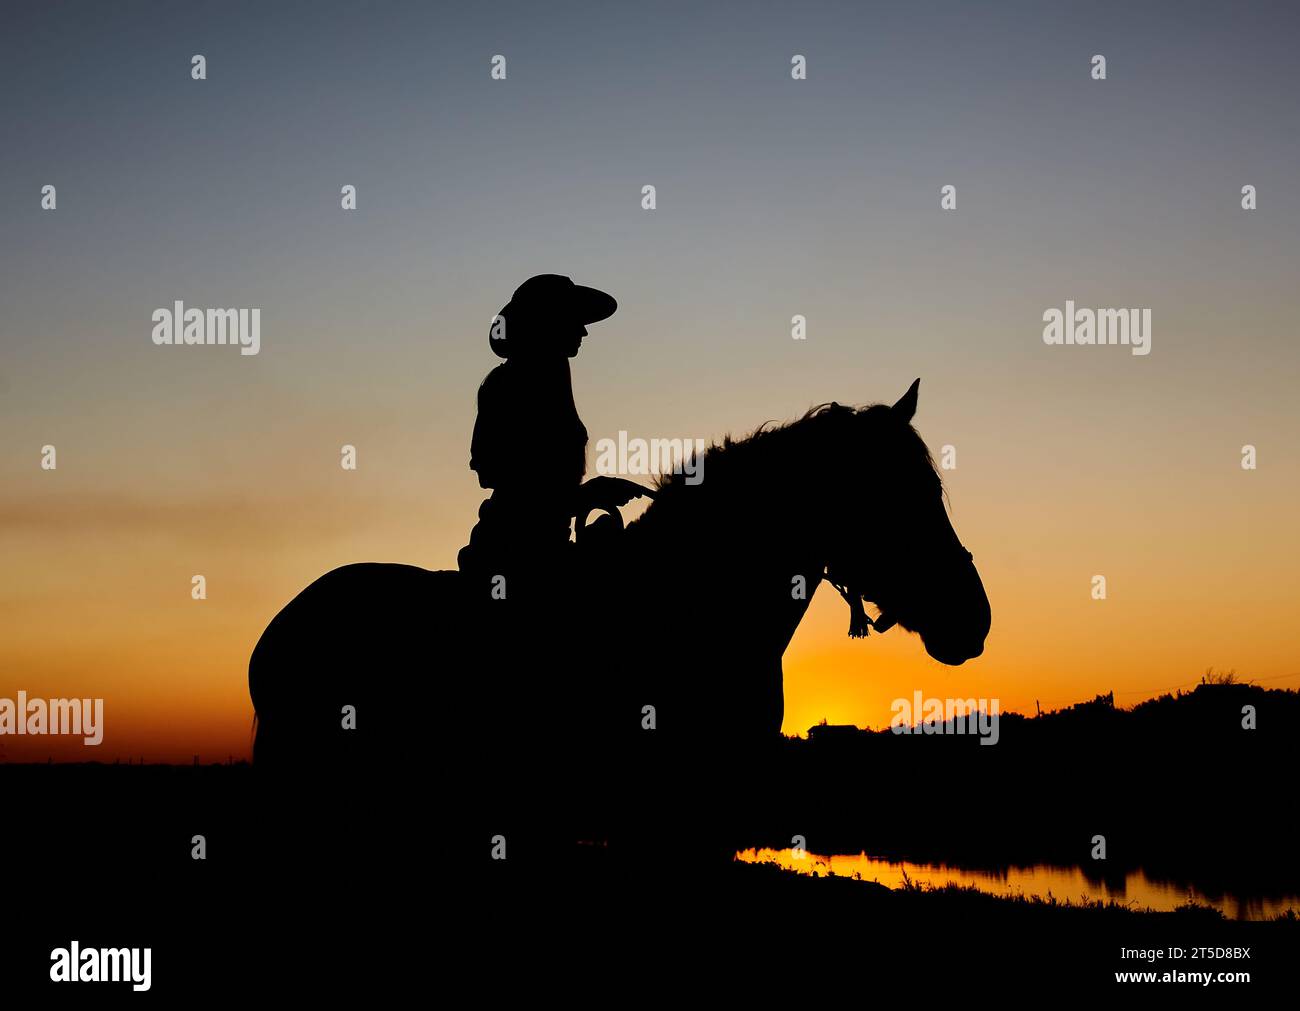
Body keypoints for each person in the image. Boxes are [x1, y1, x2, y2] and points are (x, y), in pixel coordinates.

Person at [457, 274, 648, 599]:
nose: (584, 330)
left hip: (547, 547)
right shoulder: (507, 385)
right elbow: (502, 476)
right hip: (513, 556)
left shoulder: (550, 380)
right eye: (574, 320)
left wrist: (585, 495)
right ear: (548, 323)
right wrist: (586, 496)